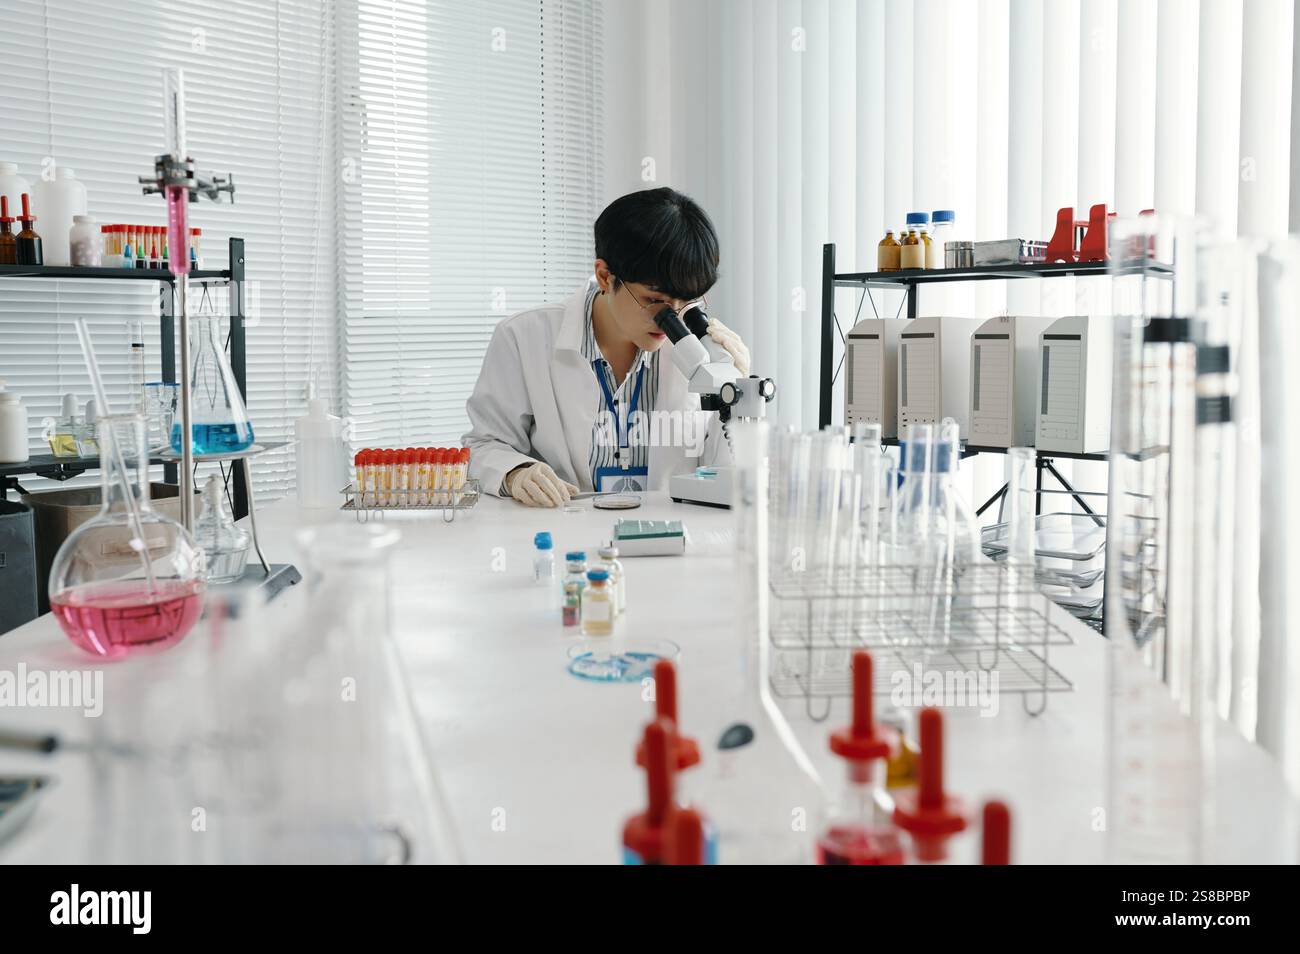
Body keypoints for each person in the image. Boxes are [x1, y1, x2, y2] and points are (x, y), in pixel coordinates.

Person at [463, 187, 751, 507]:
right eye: (654, 301)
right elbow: (483, 444)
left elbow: (727, 479)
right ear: (604, 276)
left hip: (667, 536)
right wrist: (515, 472)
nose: (671, 320)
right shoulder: (523, 337)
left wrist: (739, 399)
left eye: (687, 303)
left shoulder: (701, 353)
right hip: (565, 535)